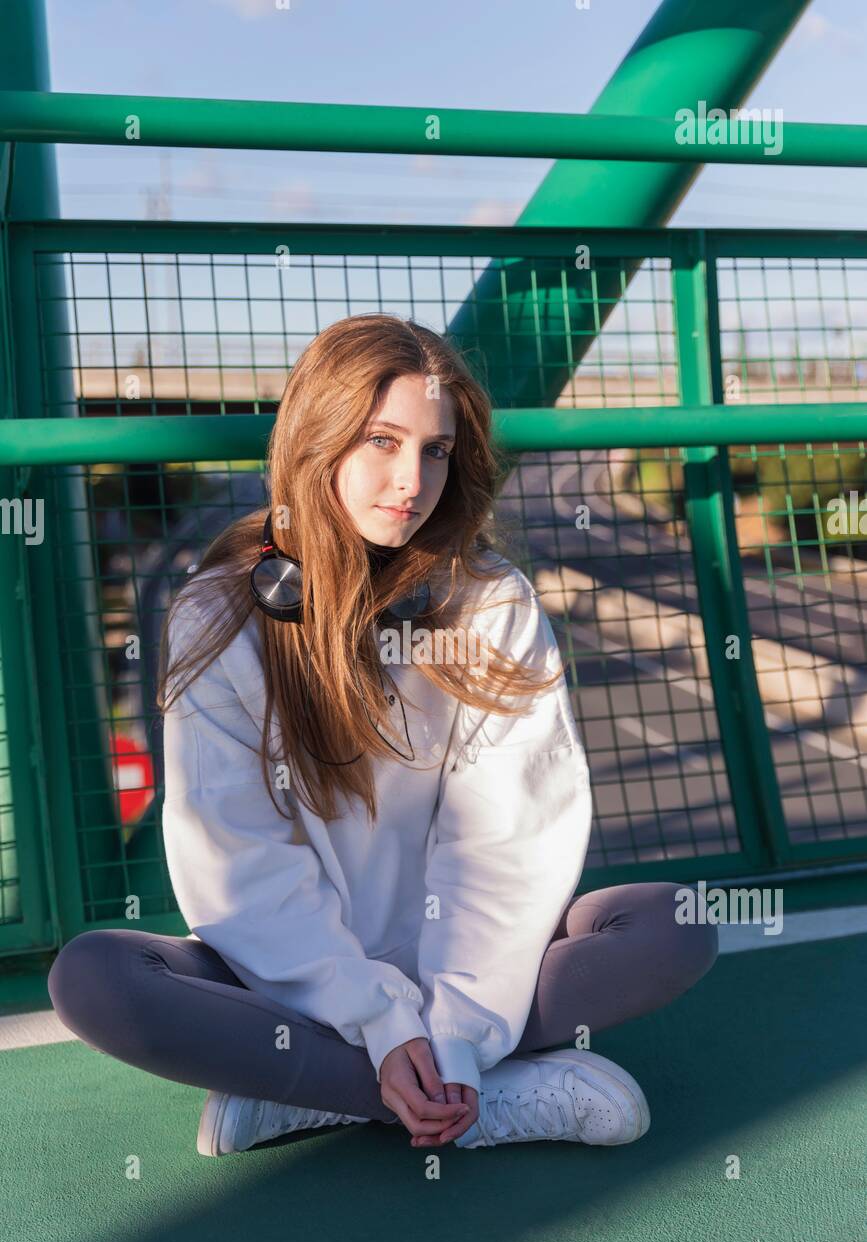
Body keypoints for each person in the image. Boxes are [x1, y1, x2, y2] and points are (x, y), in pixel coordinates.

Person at [48, 313, 718, 1156]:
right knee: (96, 978)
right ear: (316, 441)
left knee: (674, 923)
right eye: (381, 440)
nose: (411, 478)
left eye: (435, 449)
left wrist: (454, 1032)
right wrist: (372, 1016)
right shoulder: (218, 614)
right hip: (300, 979)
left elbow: (506, 840)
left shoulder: (489, 600)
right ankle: (463, 1098)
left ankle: (320, 1089)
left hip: (468, 969)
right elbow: (237, 856)